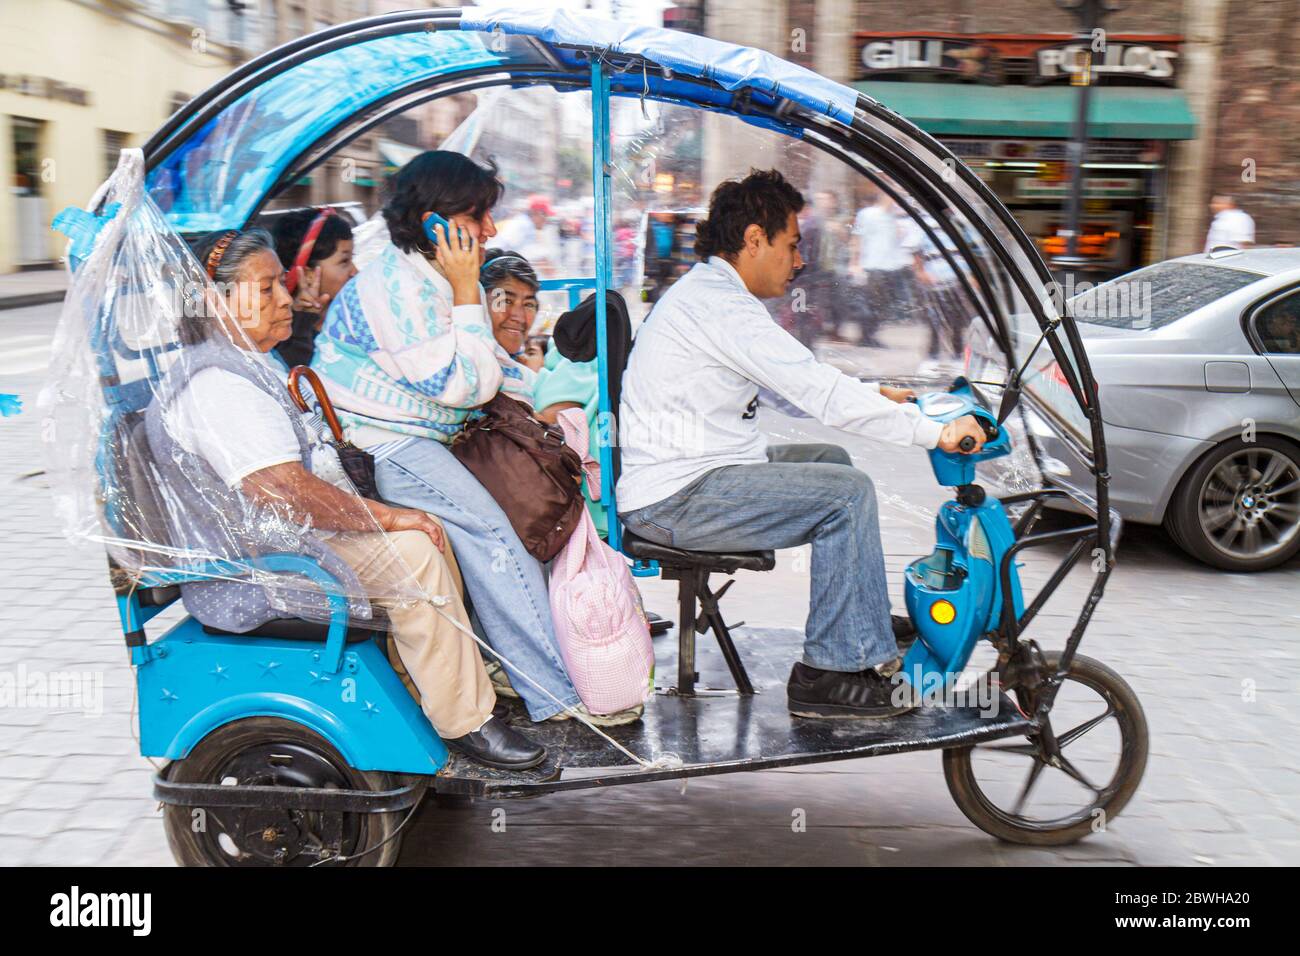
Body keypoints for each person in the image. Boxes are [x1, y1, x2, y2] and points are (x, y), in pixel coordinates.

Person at [148, 228, 544, 769]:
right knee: (415, 556)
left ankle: (437, 687)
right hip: (255, 572)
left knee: (425, 534)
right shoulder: (217, 385)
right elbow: (285, 490)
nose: (286, 299)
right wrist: (386, 515)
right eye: (265, 290)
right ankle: (467, 721)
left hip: (279, 544)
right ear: (216, 302)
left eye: (279, 286)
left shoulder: (242, 364)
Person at [617, 169, 988, 720]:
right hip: (676, 499)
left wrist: (879, 395)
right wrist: (936, 433)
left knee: (831, 463)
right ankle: (827, 675)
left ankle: (856, 624)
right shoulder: (722, 307)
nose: (799, 261)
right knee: (846, 493)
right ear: (753, 240)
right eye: (792, 245)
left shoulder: (713, 295)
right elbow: (819, 395)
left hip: (694, 475)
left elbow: (792, 385)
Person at [310, 151, 638, 727]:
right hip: (388, 446)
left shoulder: (423, 277)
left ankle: (519, 667)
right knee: (495, 540)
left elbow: (496, 369)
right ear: (435, 221)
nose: (489, 229)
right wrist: (468, 292)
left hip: (422, 439)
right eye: (478, 215)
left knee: (515, 526)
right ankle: (559, 694)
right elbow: (464, 384)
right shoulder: (400, 287)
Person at [268, 207, 358, 368]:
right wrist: (303, 322)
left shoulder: (355, 314)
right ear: (308, 274)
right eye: (344, 261)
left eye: (352, 258)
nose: (355, 272)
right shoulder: (282, 335)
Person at [850, 191, 915, 347]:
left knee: (882, 304)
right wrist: (855, 263)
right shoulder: (867, 214)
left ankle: (871, 335)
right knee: (870, 304)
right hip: (872, 265)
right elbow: (857, 238)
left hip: (890, 267)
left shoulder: (892, 218)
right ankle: (866, 336)